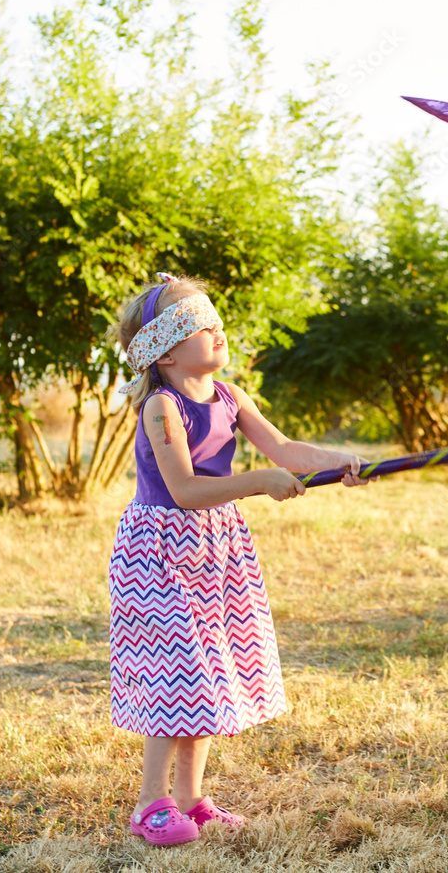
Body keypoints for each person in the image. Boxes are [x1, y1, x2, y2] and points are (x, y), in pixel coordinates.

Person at [108, 272, 370, 846]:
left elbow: (284, 450)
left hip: (215, 550)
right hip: (160, 553)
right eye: (204, 326)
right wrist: (257, 483)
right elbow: (184, 490)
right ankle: (150, 802)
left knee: (204, 676)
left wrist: (340, 460)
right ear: (168, 349)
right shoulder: (161, 408)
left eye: (217, 321)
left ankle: (191, 799)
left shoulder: (230, 397)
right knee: (174, 676)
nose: (219, 332)